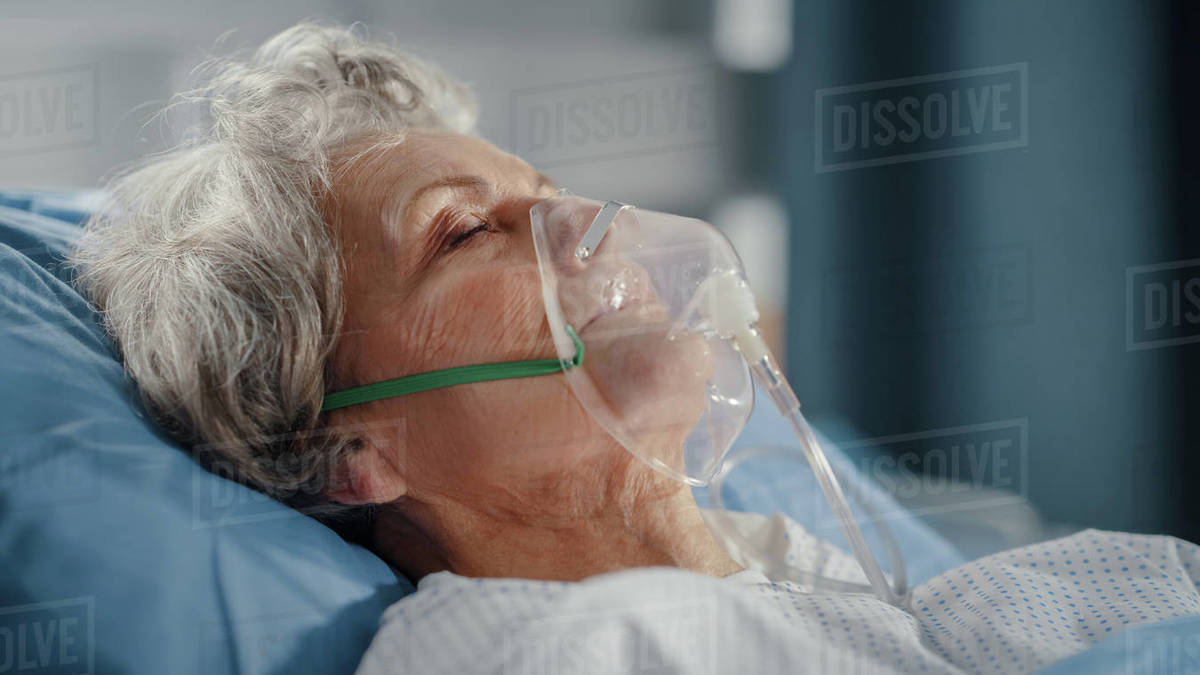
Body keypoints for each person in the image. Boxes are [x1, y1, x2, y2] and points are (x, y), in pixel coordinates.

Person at [69, 23, 1200, 674]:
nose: (588, 228)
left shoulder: (808, 566)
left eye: (550, 194)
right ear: (348, 455)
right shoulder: (537, 654)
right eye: (464, 231)